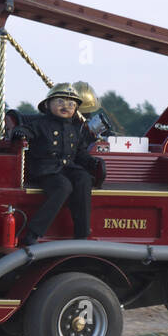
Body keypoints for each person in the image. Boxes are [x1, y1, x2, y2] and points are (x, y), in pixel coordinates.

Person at [11, 81, 106, 245]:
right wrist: (20, 132)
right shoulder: (39, 124)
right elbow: (27, 131)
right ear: (48, 105)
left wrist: (92, 163)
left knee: (83, 179)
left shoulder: (75, 129)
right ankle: (33, 232)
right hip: (45, 169)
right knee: (63, 187)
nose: (66, 106)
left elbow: (80, 152)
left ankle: (82, 233)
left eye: (71, 103)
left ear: (76, 109)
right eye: (60, 101)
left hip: (67, 167)